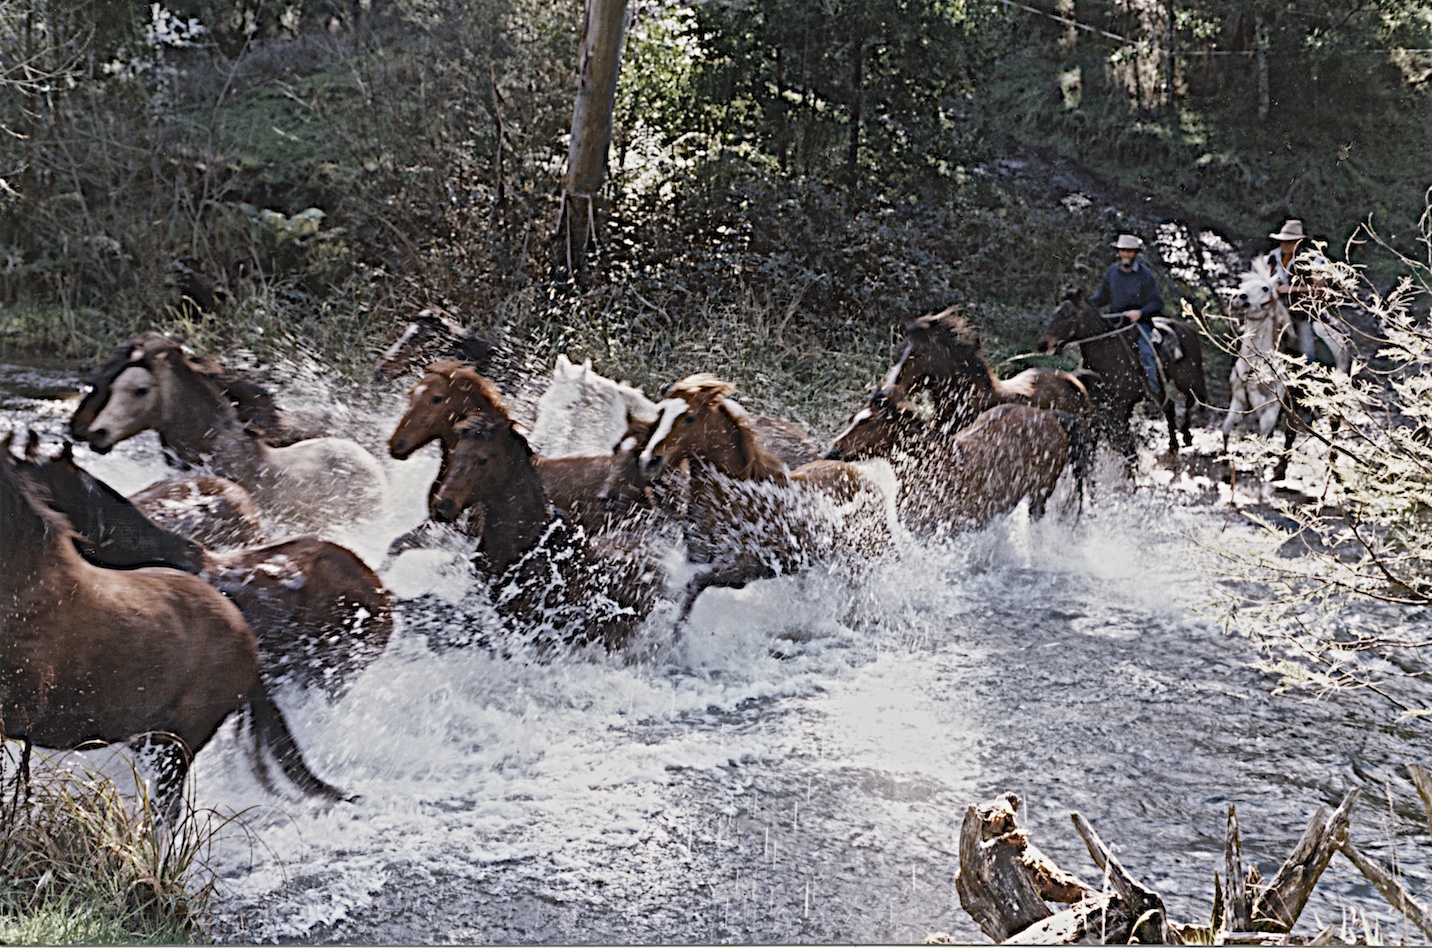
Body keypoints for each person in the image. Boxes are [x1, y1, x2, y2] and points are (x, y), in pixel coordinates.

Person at [1088, 233, 1164, 397]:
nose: (1126, 254)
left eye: (1130, 251)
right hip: (1115, 325)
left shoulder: (1145, 275)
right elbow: (1103, 297)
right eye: (1123, 251)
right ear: (1118, 252)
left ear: (1136, 253)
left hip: (1138, 325)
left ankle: (1153, 394)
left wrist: (1140, 312)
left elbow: (1157, 303)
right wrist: (1084, 303)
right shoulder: (1111, 273)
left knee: (1146, 354)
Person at [1264, 219, 1326, 362]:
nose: (1285, 245)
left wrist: (1292, 289)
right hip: (1274, 311)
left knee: (1305, 347)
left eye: (1290, 241)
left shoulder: (1312, 260)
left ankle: (1309, 374)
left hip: (1301, 312)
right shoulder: (1272, 257)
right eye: (1283, 241)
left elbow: (1320, 289)